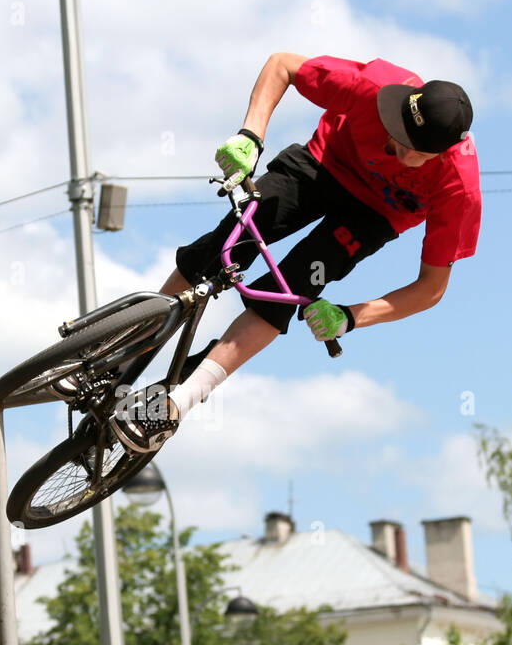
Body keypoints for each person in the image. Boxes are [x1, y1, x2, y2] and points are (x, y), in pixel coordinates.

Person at [109, 52, 482, 454]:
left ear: (443, 153)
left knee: (287, 290)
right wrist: (250, 136)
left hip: (373, 215)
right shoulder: (375, 87)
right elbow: (283, 66)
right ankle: (126, 357)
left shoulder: (458, 189)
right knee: (226, 243)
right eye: (398, 132)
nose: (396, 149)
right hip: (322, 164)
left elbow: (431, 288)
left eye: (414, 152)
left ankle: (175, 405)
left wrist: (350, 317)